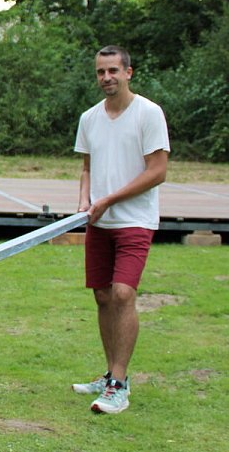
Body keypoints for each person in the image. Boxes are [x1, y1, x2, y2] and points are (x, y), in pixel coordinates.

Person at [72, 45, 169, 415]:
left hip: (134, 220)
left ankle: (120, 384)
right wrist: (85, 200)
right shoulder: (89, 118)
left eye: (113, 70)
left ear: (129, 72)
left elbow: (157, 171)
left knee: (123, 294)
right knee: (102, 296)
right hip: (100, 221)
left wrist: (110, 198)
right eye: (101, 72)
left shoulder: (148, 113)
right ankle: (109, 374)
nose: (106, 77)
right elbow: (87, 168)